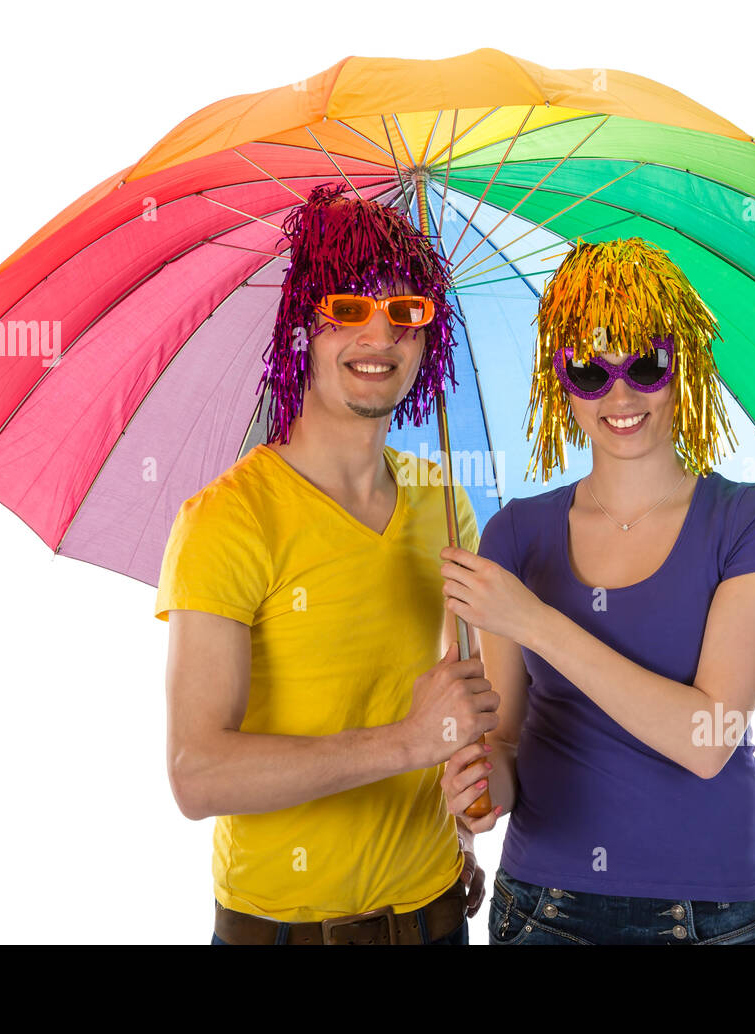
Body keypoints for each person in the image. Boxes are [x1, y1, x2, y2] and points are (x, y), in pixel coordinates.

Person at [154, 182, 499, 945]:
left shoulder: (447, 509)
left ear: (428, 337)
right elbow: (197, 771)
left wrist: (467, 804)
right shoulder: (226, 519)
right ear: (302, 327)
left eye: (406, 313)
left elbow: (459, 732)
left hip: (437, 922)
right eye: (348, 309)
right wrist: (410, 742)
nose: (380, 338)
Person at [439, 238, 755, 945]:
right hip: (543, 908)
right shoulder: (516, 534)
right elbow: (511, 743)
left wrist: (536, 621)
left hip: (711, 915)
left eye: (646, 364)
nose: (620, 394)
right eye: (588, 370)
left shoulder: (752, 522)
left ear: (686, 367)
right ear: (557, 381)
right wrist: (483, 790)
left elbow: (707, 739)